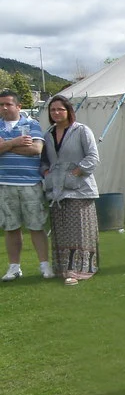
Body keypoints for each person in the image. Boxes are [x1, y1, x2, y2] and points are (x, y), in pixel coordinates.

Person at [40, 96, 100, 285]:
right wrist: (47, 173)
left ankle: (80, 270)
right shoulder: (48, 134)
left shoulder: (82, 130)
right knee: (61, 231)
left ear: (68, 111)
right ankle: (63, 268)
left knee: (79, 230)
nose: (56, 113)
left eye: (60, 109)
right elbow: (44, 161)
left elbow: (93, 156)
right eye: (52, 110)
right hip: (56, 190)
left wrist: (75, 173)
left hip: (79, 189)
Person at [0, 89, 54, 281]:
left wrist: (5, 145)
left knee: (36, 226)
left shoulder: (32, 124)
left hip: (30, 183)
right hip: (4, 183)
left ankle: (44, 266)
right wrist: (15, 142)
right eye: (1, 105)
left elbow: (36, 149)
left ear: (18, 106)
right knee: (11, 227)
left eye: (8, 104)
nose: (4, 108)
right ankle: (14, 268)